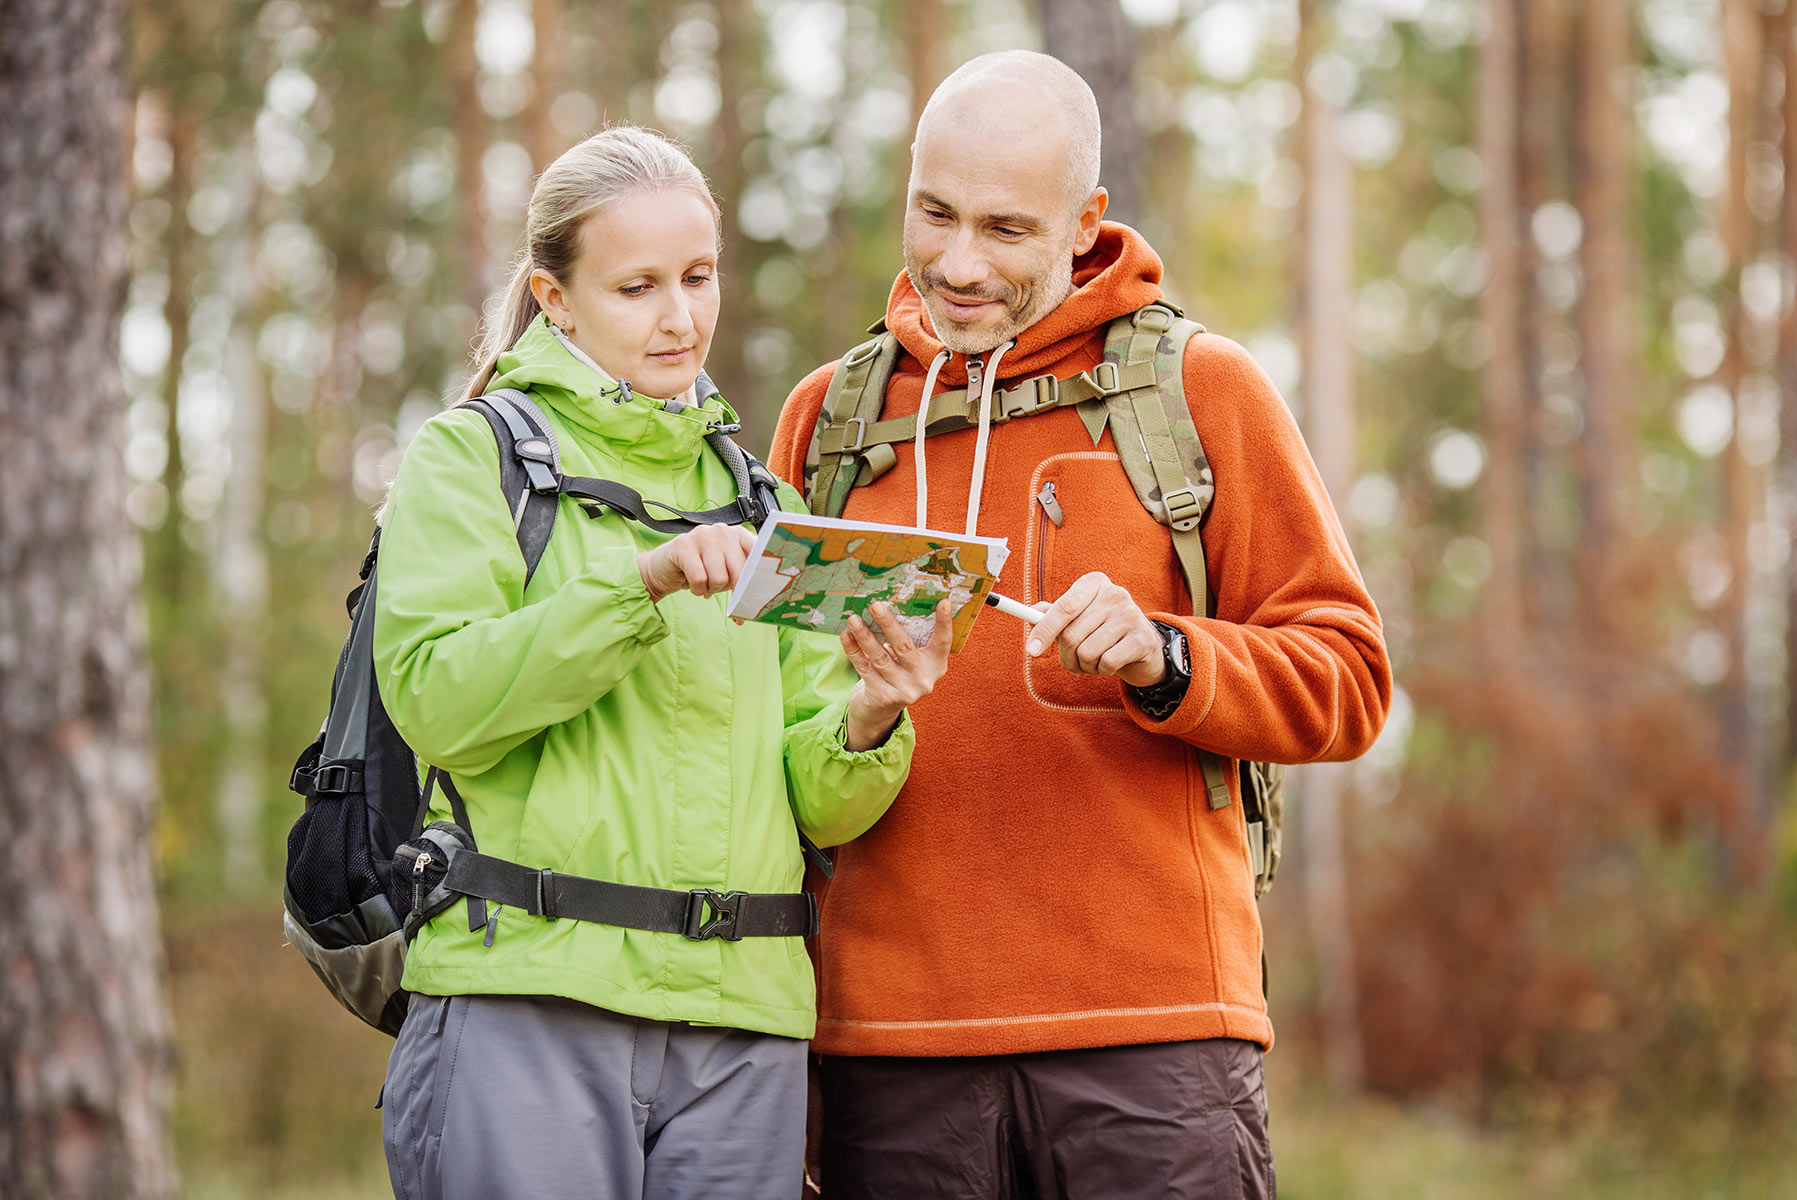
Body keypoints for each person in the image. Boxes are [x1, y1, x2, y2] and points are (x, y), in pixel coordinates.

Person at [770, 52, 1392, 1198]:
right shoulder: (828, 421)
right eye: (936, 214)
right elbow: (759, 732)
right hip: (887, 1054)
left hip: (1154, 1044)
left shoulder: (1202, 390)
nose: (959, 264)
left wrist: (1170, 656)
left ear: (1085, 221)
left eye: (1006, 229)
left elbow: (1349, 679)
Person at [373, 125, 951, 1200]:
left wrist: (874, 709)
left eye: (697, 277)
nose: (681, 317)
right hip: (528, 1000)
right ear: (555, 298)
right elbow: (440, 704)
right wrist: (639, 586)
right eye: (637, 286)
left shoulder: (766, 502)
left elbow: (816, 803)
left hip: (743, 1031)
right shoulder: (471, 456)